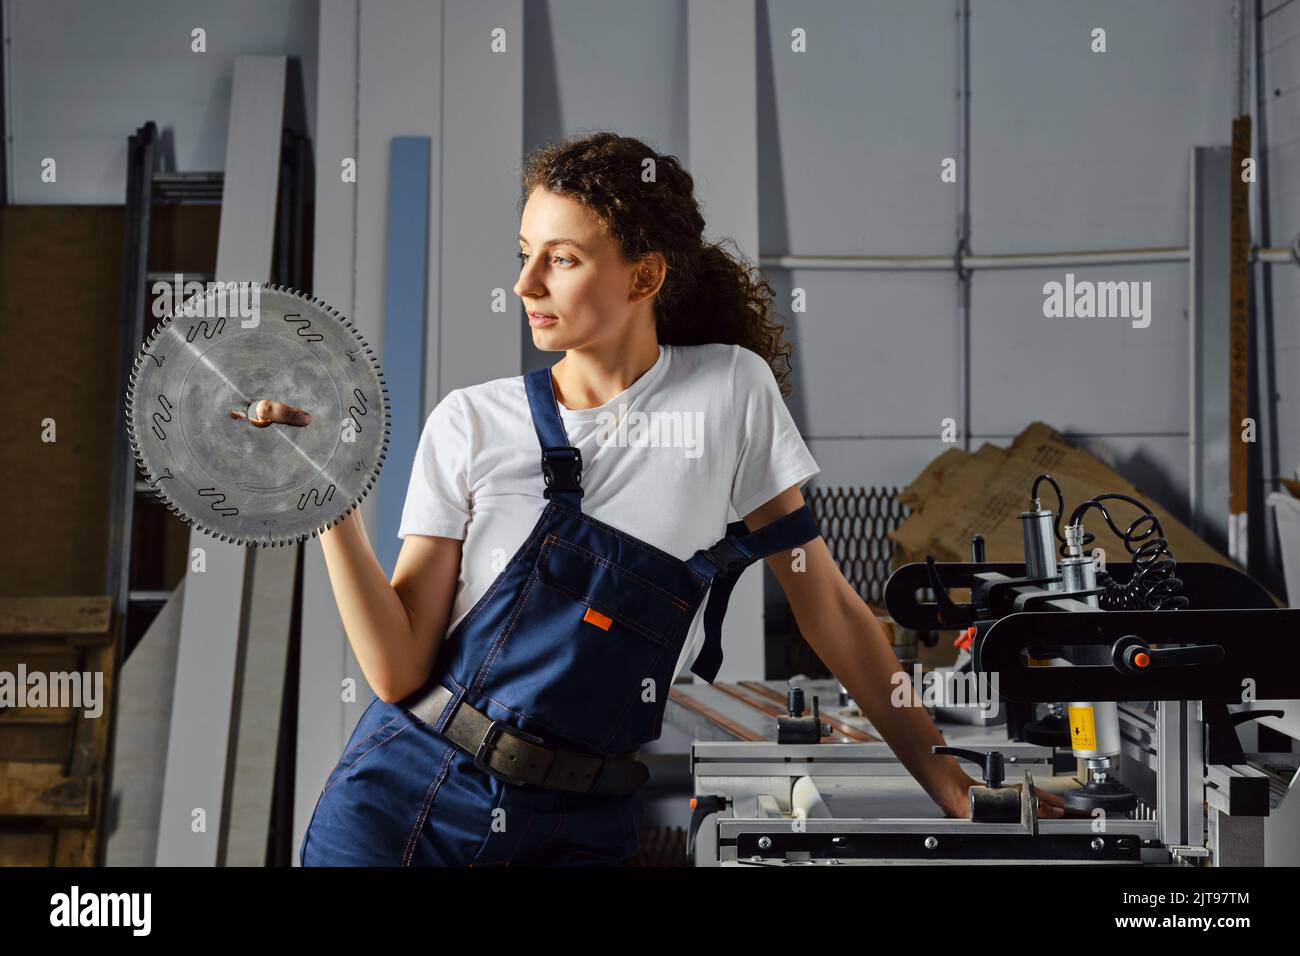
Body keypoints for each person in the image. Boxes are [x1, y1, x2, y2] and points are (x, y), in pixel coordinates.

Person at [299, 131, 1065, 867]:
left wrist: (953, 787)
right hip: (410, 803)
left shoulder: (731, 393)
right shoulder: (471, 421)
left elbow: (828, 607)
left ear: (644, 277)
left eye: (560, 260)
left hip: (581, 824)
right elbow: (398, 670)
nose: (526, 285)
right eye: (525, 256)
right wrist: (327, 499)